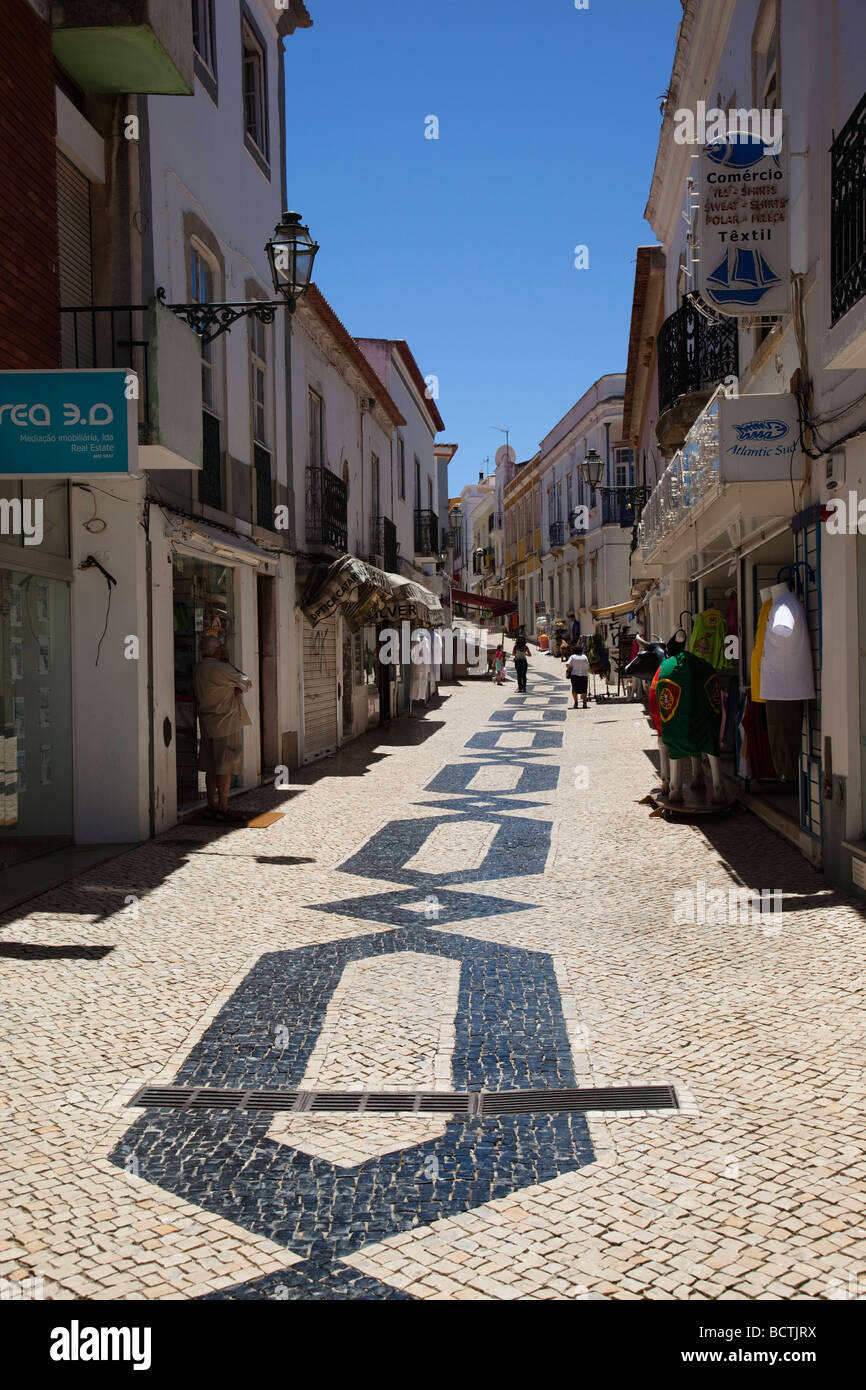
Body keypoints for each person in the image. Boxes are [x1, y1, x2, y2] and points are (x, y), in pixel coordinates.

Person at [192, 634, 253, 821]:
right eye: (221, 646)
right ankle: (223, 807)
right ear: (217, 649)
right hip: (226, 723)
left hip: (206, 723)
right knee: (224, 767)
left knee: (210, 767)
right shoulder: (223, 668)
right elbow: (247, 681)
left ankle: (210, 805)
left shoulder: (199, 668)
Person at [565, 641, 590, 709]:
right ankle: (584, 703)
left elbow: (567, 664)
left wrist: (571, 668)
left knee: (574, 690)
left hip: (574, 675)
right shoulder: (585, 657)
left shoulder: (572, 657)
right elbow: (588, 667)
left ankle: (576, 703)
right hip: (584, 675)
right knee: (584, 689)